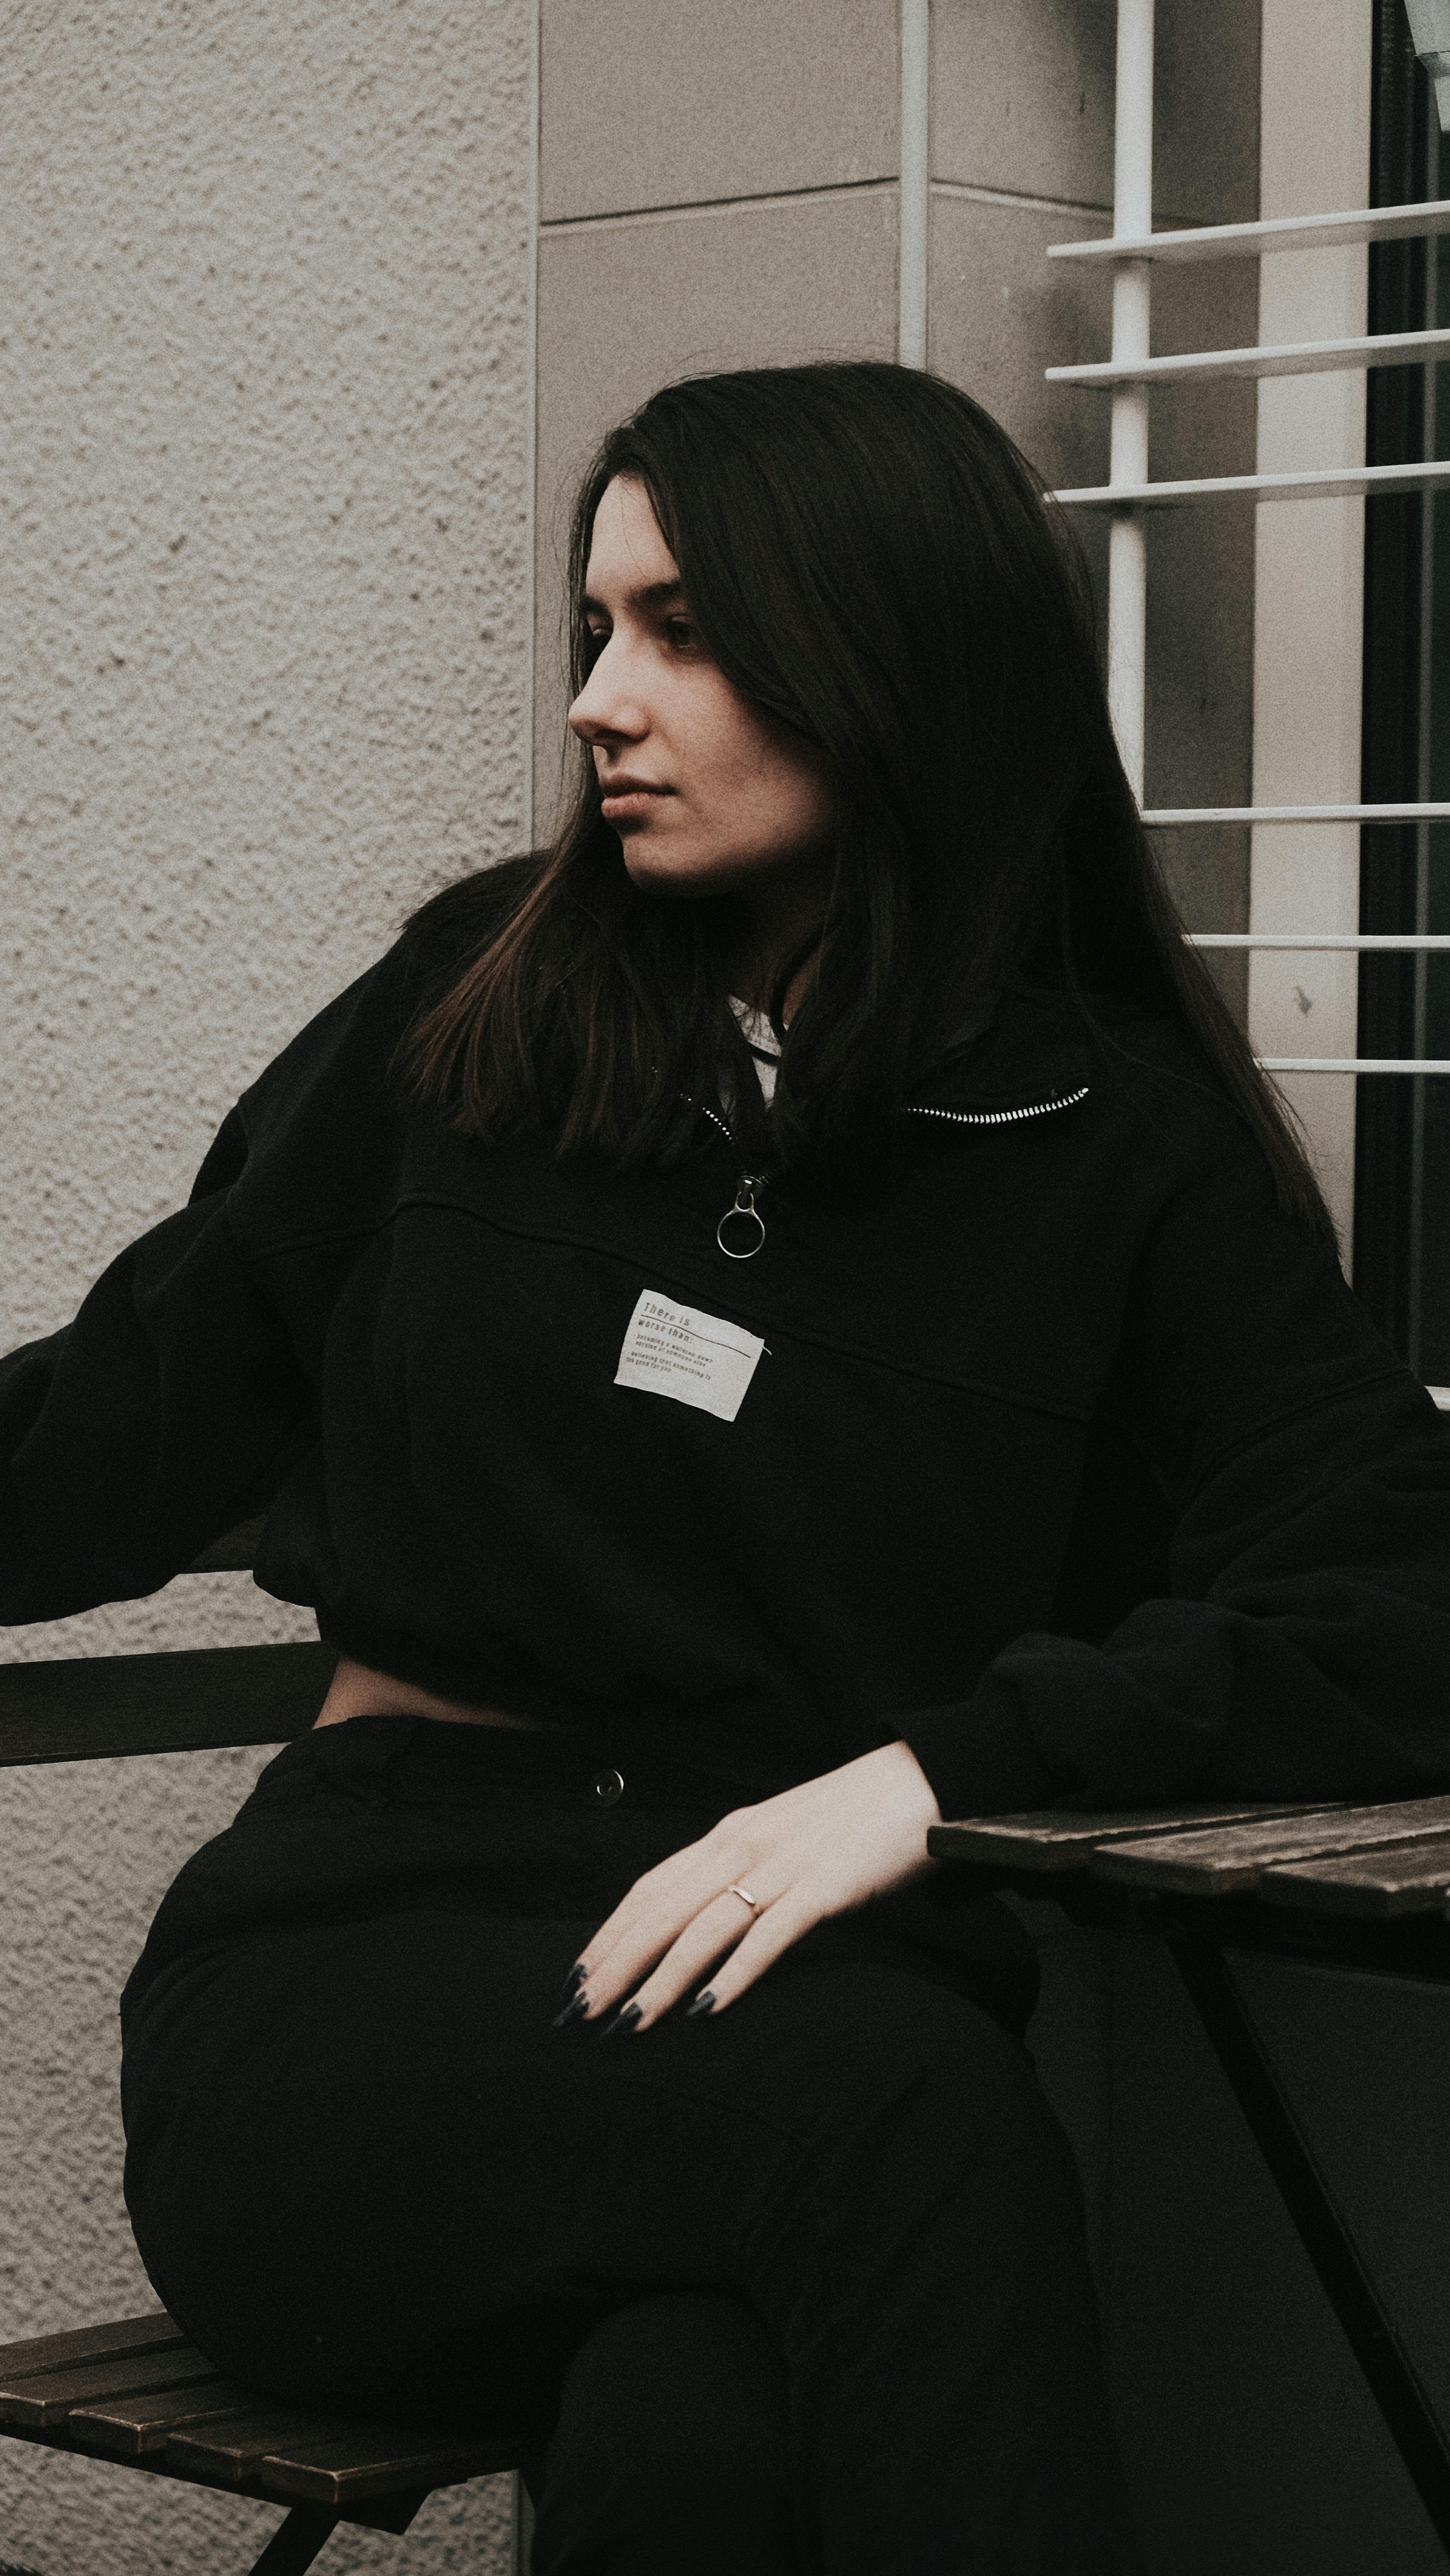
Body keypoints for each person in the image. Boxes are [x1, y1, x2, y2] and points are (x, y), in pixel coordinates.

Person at [3, 360, 1449, 2575]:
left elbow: (1388, 1602)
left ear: (888, 654)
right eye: (594, 630)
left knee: (700, 2452)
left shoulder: (1110, 1163)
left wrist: (924, 1782)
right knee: (901, 2118)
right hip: (355, 1992)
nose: (599, 698)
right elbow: (119, 1421)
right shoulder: (470, 1009)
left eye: (679, 629)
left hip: (781, 2012)